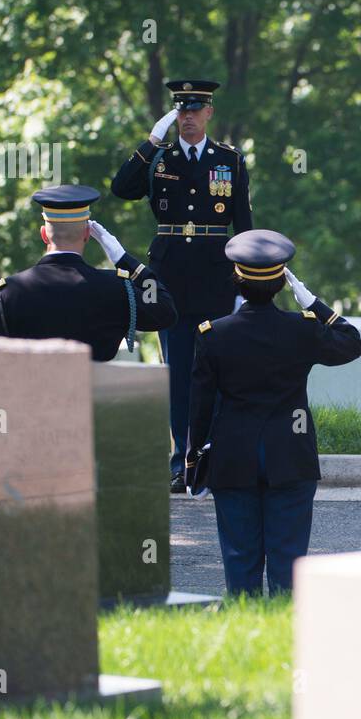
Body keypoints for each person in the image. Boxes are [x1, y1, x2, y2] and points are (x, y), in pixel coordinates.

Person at [185, 230, 361, 595]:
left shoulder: (213, 334)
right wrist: (315, 303)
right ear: (283, 282)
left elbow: (200, 406)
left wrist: (192, 459)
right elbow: (351, 343)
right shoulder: (303, 329)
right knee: (288, 568)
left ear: (236, 280)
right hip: (290, 456)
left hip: (234, 458)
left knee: (240, 565)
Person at [111, 79, 253, 493]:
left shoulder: (229, 159)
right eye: (181, 110)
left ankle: (213, 458)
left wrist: (246, 284)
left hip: (216, 278)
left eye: (195, 109)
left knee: (216, 370)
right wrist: (151, 141)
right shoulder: (159, 158)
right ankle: (182, 463)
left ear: (209, 112)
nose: (187, 117)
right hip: (170, 281)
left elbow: (243, 224)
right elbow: (122, 189)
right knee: (177, 375)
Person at [0, 185, 177, 359]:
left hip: (32, 397)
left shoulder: (10, 292)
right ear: (87, 234)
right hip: (93, 398)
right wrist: (123, 260)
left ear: (43, 234)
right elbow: (164, 309)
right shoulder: (116, 288)